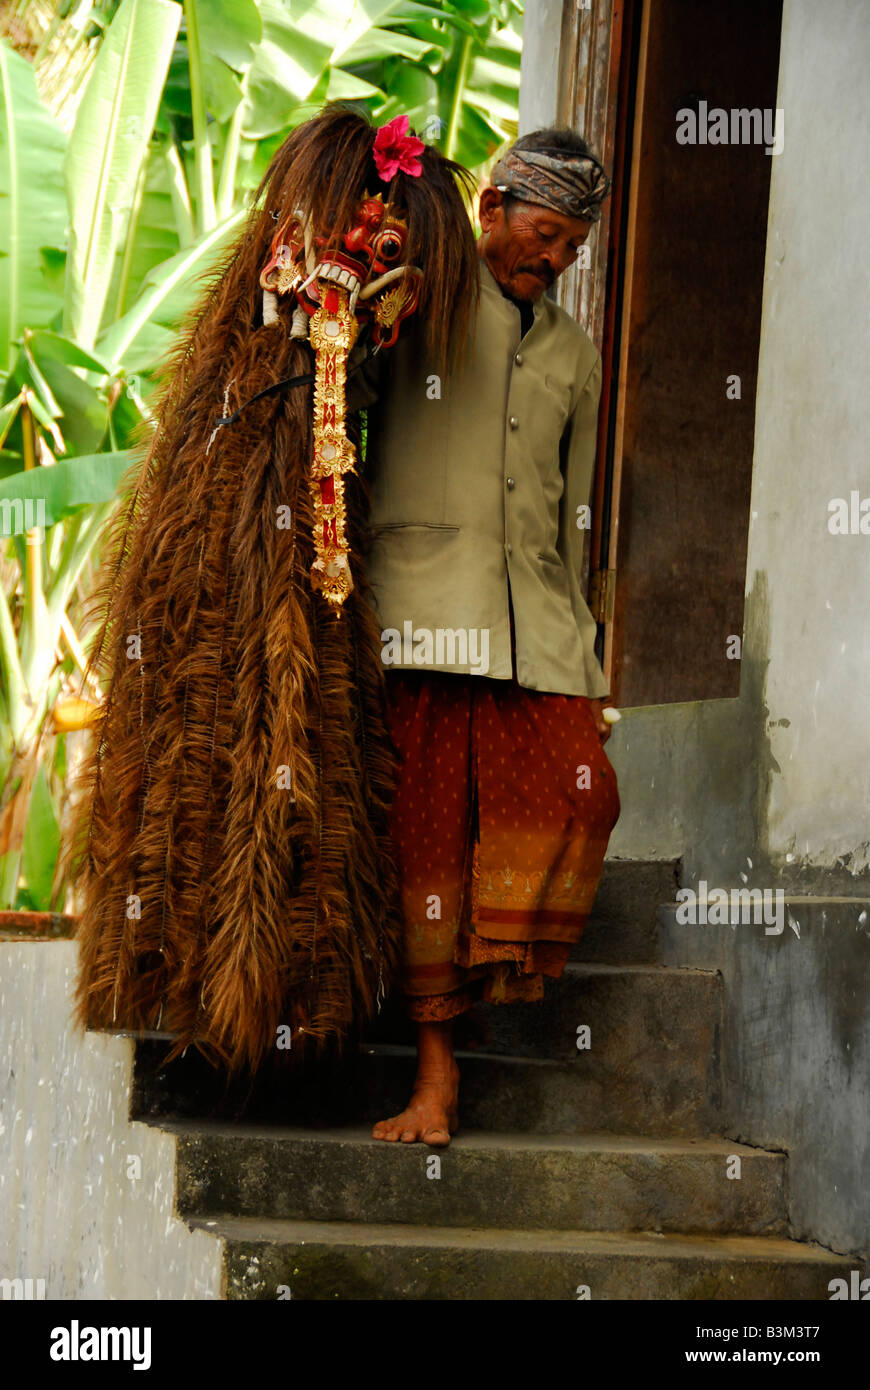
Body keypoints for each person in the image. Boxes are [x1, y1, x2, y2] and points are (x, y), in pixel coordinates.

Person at [366, 128, 622, 1146]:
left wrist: (589, 656)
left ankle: (493, 960)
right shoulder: (419, 300)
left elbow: (573, 516)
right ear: (496, 208)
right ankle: (436, 1078)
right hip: (425, 619)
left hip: (537, 633)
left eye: (571, 248)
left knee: (586, 798)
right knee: (427, 852)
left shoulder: (574, 352)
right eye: (546, 235)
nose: (553, 260)